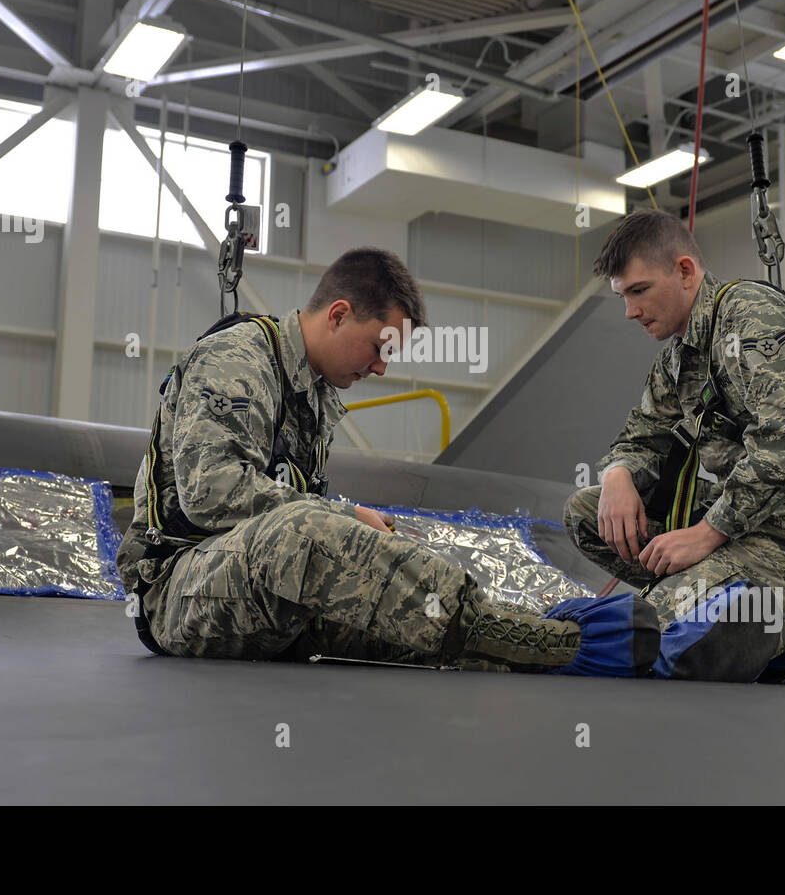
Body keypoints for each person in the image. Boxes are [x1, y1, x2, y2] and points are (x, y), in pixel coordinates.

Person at [115, 247, 662, 674]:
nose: (380, 367)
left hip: (264, 594)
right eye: (379, 347)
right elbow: (212, 492)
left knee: (405, 621)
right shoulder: (236, 358)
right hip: (178, 594)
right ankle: (539, 638)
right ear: (337, 314)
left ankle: (535, 644)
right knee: (307, 530)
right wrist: (345, 519)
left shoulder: (315, 395)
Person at [562, 210, 785, 681]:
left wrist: (706, 535)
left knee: (662, 626)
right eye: (622, 296)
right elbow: (640, 436)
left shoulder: (752, 317)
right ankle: (717, 595)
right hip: (749, 517)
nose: (630, 311)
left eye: (639, 291)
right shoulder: (679, 357)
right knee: (586, 514)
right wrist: (617, 476)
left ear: (685, 272)